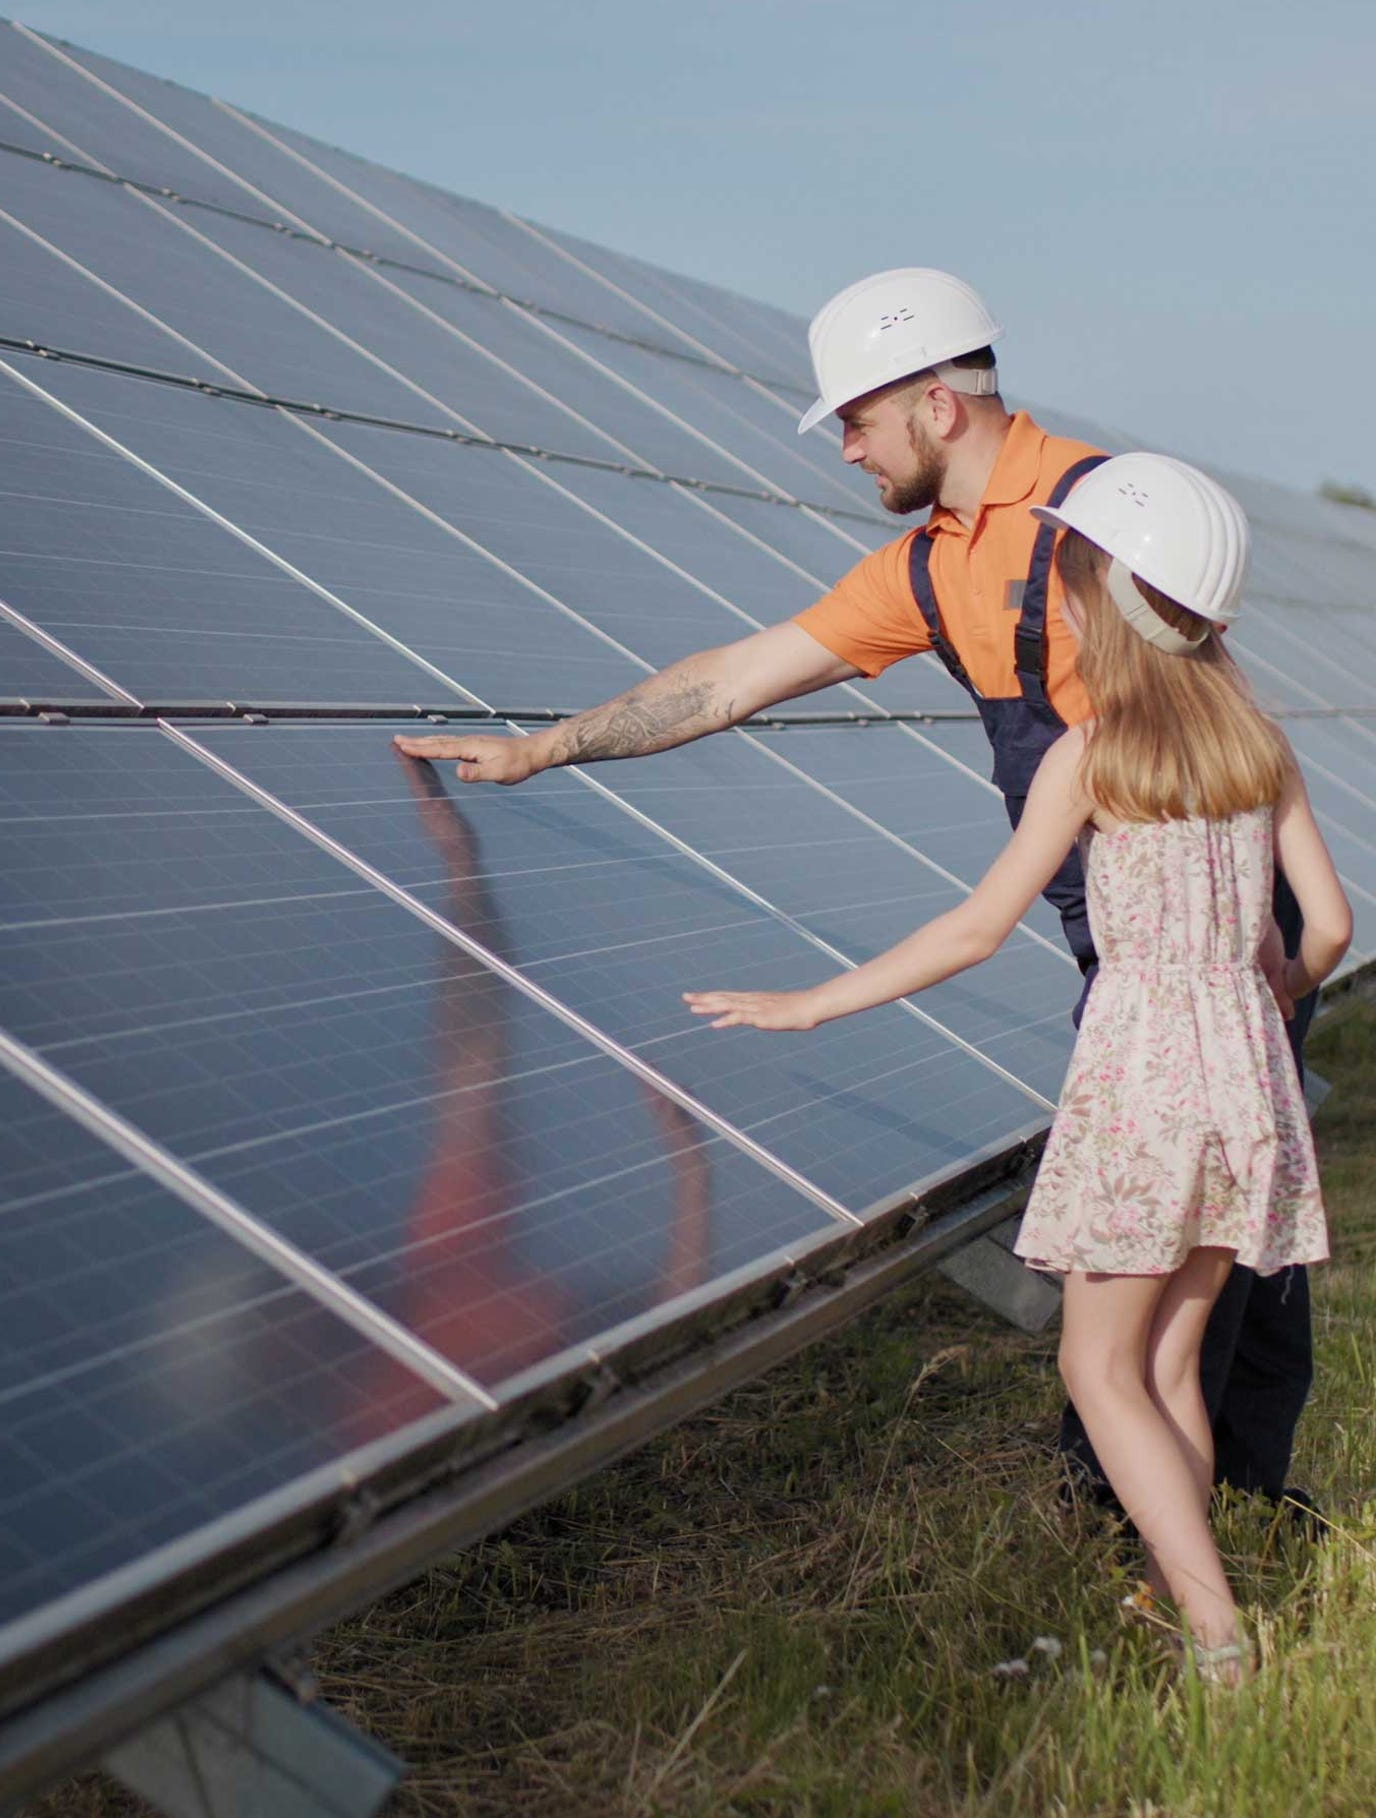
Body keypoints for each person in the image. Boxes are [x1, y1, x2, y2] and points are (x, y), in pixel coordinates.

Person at [394, 267, 1316, 1509]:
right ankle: (1204, 1513)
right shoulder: (927, 570)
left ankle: (1159, 1524)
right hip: (1116, 931)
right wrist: (540, 747)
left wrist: (1262, 946)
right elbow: (732, 678)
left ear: (936, 405)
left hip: (1218, 927)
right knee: (1199, 1237)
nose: (843, 446)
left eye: (856, 418)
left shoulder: (1108, 515)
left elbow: (1227, 719)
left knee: (1198, 1250)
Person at [684, 455, 1351, 1679]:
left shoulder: (1089, 756)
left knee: (1096, 1366)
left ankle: (1214, 1637)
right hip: (1243, 1078)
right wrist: (1258, 1001)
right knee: (1167, 1365)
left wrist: (813, 1004)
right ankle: (1170, 1597)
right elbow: (1325, 929)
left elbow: (974, 928)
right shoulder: (1258, 748)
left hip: (1142, 1081)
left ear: (1107, 601)